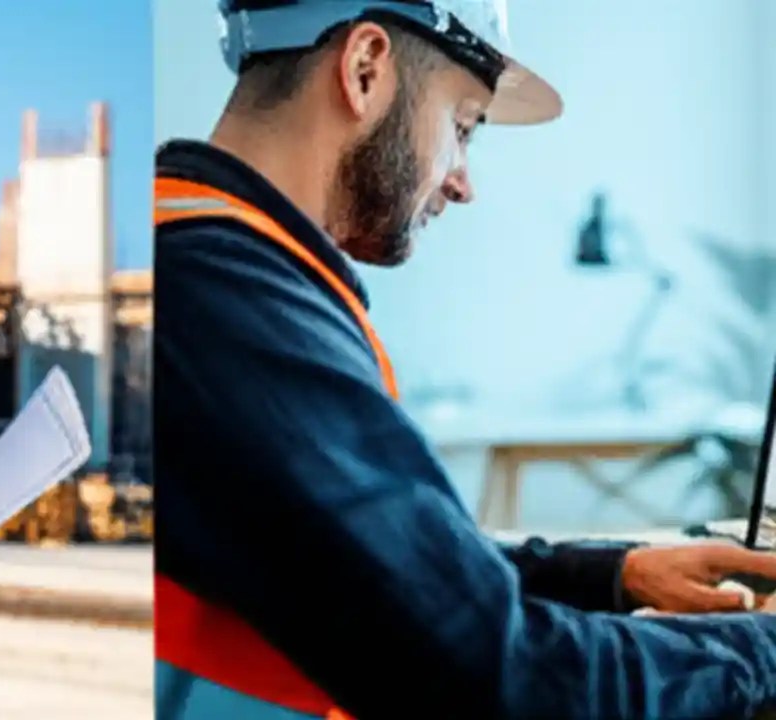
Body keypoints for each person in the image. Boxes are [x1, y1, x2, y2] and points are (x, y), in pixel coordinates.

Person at [154, 1, 776, 718]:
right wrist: (759, 647)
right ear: (364, 69)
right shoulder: (230, 302)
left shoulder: (206, 259)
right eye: (461, 127)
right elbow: (506, 679)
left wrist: (614, 575)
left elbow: (384, 576)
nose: (462, 182)